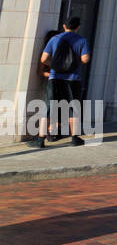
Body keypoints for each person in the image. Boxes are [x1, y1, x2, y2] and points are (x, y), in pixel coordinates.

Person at [37, 16, 91, 147]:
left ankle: (40, 140)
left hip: (55, 78)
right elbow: (85, 59)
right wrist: (73, 64)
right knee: (73, 107)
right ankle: (74, 138)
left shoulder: (55, 39)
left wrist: (56, 65)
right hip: (73, 79)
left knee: (49, 107)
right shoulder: (82, 40)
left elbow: (44, 59)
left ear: (64, 26)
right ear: (78, 27)